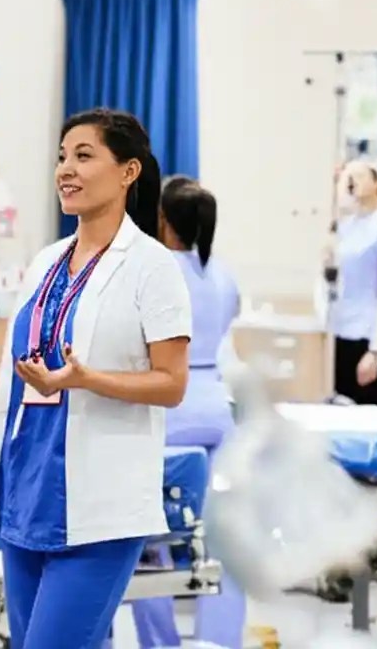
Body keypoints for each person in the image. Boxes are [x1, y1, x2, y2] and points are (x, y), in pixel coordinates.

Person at [0, 108, 192, 648]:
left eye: (84, 156)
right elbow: (36, 379)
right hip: (27, 491)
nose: (66, 169)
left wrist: (86, 379)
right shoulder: (46, 262)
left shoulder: (152, 266)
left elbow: (171, 383)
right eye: (63, 157)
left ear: (129, 171)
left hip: (99, 503)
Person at [127, 176, 245, 649]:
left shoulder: (151, 272)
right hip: (216, 407)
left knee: (147, 534)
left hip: (168, 406)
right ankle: (219, 642)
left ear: (163, 220)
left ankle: (160, 643)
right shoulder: (223, 274)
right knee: (224, 539)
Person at [328, 160, 377, 407]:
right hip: (341, 332)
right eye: (349, 177)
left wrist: (376, 350)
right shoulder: (346, 226)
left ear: (376, 181)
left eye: (360, 176)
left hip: (368, 335)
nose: (354, 182)